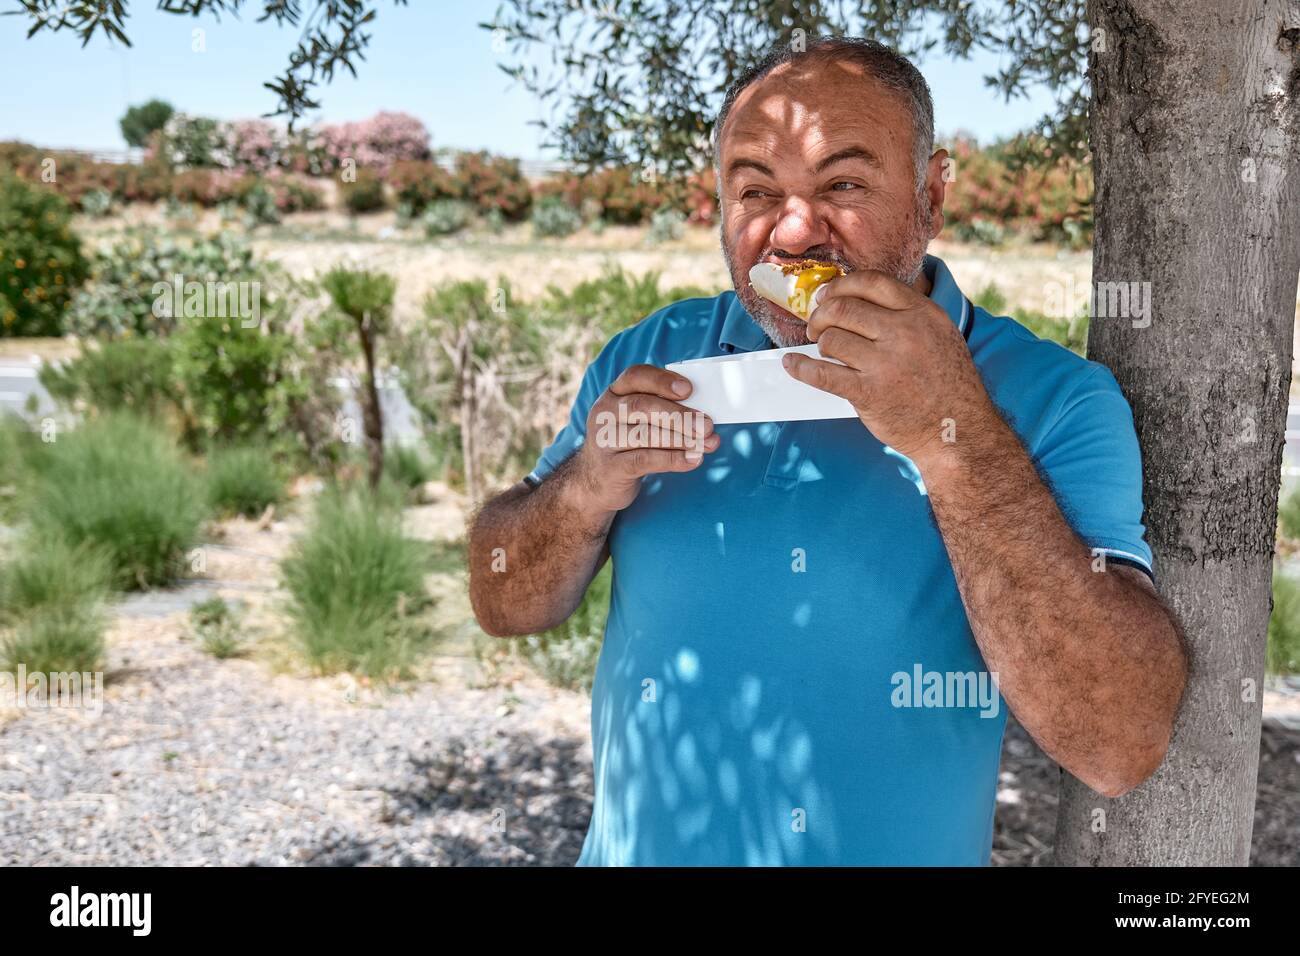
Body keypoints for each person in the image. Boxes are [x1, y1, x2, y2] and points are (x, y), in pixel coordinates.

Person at [468, 36, 1188, 866]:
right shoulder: (657, 354)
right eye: (756, 191)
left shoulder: (1056, 398)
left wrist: (956, 436)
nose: (794, 231)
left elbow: (1120, 742)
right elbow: (501, 602)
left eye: (843, 184)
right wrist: (585, 487)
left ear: (930, 195)